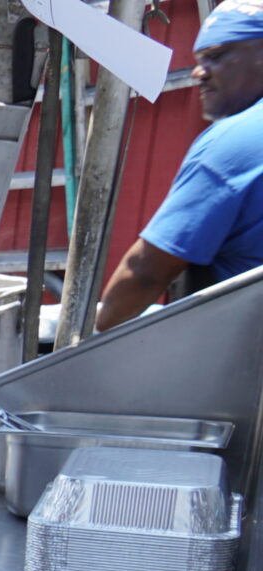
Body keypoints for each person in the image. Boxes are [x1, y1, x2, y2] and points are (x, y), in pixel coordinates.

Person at [97, 0, 263, 330]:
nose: (198, 72)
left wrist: (90, 339)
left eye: (217, 56)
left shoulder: (232, 145)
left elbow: (145, 273)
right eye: (200, 60)